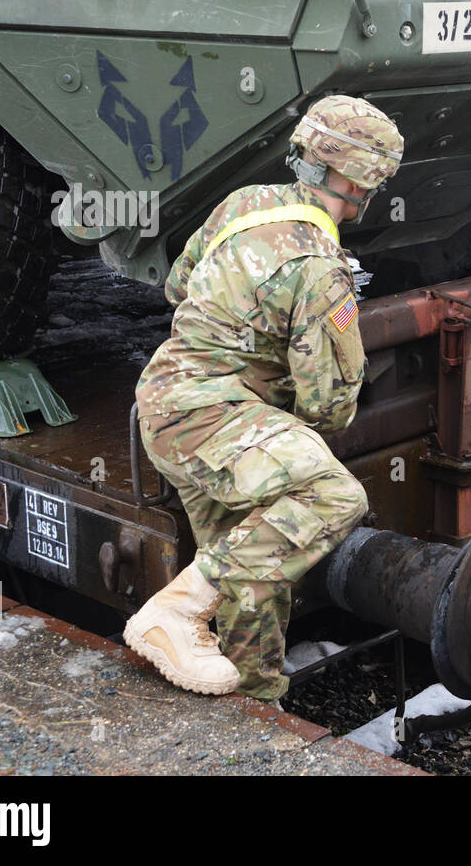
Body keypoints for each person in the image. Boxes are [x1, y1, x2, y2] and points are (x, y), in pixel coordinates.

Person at [124, 95, 403, 701]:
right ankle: (172, 612)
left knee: (257, 567)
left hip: (167, 404)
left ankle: (253, 697)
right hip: (214, 416)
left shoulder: (244, 204)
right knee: (329, 495)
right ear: (358, 181)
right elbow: (331, 405)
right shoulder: (324, 269)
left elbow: (178, 285)